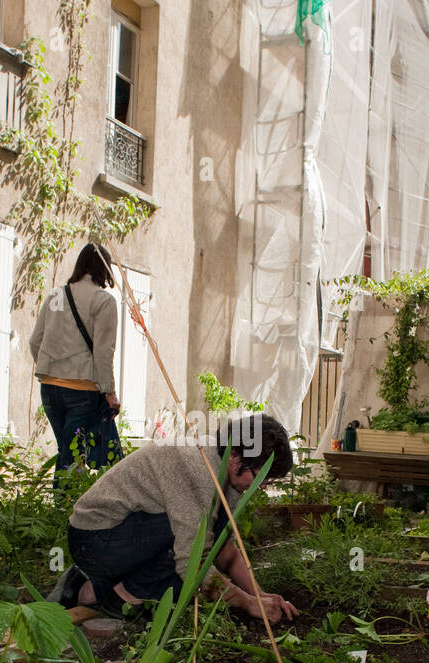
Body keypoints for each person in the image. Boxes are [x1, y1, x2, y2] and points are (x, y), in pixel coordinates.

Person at [51, 414, 299, 625]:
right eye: (261, 476)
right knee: (188, 555)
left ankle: (89, 588)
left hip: (122, 536)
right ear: (236, 456)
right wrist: (247, 604)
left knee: (200, 542)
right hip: (95, 537)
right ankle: (122, 598)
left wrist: (259, 594)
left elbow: (224, 547)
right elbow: (191, 562)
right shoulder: (199, 470)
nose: (263, 486)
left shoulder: (227, 475)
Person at [29, 243, 122, 481]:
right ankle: (64, 510)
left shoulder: (54, 295)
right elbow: (103, 352)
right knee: (71, 455)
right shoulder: (104, 301)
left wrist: (51, 371)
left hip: (49, 389)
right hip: (81, 391)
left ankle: (64, 507)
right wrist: (109, 392)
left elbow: (34, 341)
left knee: (67, 451)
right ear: (105, 268)